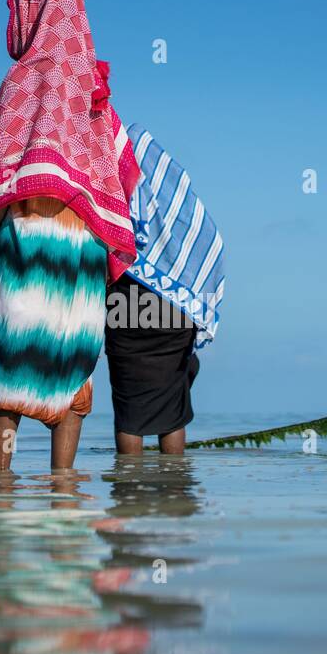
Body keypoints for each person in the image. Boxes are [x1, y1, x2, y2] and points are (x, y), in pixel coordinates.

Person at [0, 0, 140, 471]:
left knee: (10, 373)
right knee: (72, 371)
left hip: (27, 237)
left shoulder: (22, 80)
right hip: (84, 244)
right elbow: (121, 171)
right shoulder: (93, 88)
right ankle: (63, 489)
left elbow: (1, 177)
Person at [104, 126, 224, 454]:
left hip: (127, 301)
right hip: (178, 304)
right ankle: (174, 486)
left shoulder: (111, 194)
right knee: (171, 408)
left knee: (130, 408)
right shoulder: (182, 210)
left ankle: (129, 491)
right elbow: (210, 245)